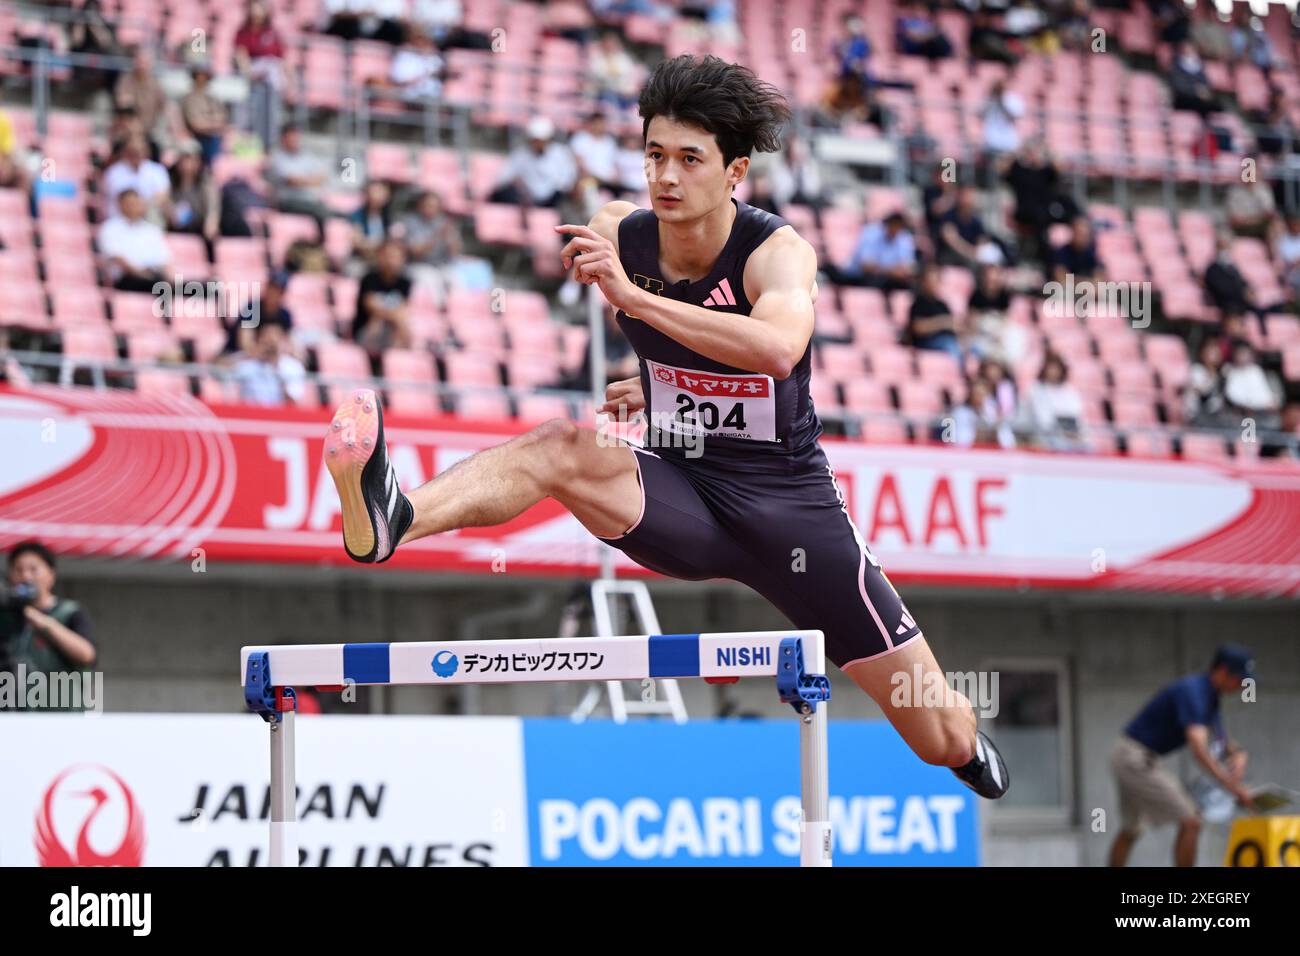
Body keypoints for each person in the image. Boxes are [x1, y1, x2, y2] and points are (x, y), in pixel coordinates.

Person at [321, 53, 1009, 800]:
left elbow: (778, 350)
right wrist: (657, 393)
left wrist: (635, 304)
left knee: (934, 734)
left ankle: (968, 744)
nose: (666, 177)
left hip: (792, 517)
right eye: (654, 155)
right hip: (685, 491)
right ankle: (396, 516)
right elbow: (691, 354)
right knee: (559, 445)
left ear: (735, 171)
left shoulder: (776, 253)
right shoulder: (621, 231)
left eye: (689, 160)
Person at [1108, 645, 1256, 867]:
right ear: (1223, 671)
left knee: (1131, 830)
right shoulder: (1194, 692)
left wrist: (1239, 754)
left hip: (1134, 756)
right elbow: (1199, 747)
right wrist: (1232, 788)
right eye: (1239, 679)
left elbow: (1221, 742)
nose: (1242, 686)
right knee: (1191, 821)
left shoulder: (1210, 698)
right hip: (1135, 758)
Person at [0, 540, 98, 712]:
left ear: (51, 575)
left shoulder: (69, 612)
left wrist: (40, 620)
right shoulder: (6, 617)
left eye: (33, 569)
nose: (26, 577)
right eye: (18, 570)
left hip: (60, 719)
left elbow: (87, 655)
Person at [488, 116, 577, 208]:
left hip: (554, 199)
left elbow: (567, 180)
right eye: (535, 141)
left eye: (541, 141)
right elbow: (503, 177)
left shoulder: (560, 153)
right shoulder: (520, 155)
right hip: (526, 200)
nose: (538, 144)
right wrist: (516, 182)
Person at [98, 188, 173, 293]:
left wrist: (169, 279)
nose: (134, 207)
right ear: (120, 205)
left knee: (197, 288)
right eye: (130, 203)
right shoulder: (110, 228)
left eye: (136, 203)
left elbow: (164, 261)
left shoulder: (151, 230)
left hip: (153, 277)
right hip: (126, 280)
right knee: (161, 286)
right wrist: (143, 274)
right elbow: (118, 259)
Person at [266, 124, 332, 238]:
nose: (294, 141)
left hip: (308, 200)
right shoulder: (276, 157)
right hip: (287, 202)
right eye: (291, 138)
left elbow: (323, 177)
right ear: (283, 139)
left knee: (336, 212)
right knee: (320, 211)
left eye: (296, 138)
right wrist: (310, 180)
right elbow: (292, 181)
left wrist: (303, 180)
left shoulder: (306, 157)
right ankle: (320, 246)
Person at [825, 211, 915, 290]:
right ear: (887, 224)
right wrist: (890, 271)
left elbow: (906, 269)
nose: (895, 230)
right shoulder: (871, 232)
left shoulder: (904, 239)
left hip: (884, 280)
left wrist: (890, 271)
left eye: (899, 227)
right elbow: (866, 266)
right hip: (857, 276)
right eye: (894, 226)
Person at [232, 314, 307, 406]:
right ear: (259, 341)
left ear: (282, 342)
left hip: (280, 416)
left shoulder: (293, 367)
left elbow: (293, 404)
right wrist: (254, 355)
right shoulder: (247, 365)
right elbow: (221, 372)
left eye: (273, 343)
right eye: (267, 342)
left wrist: (277, 368)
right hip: (250, 414)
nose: (270, 347)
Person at [353, 238, 413, 353]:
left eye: (395, 257)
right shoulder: (369, 279)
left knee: (402, 325)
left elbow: (402, 309)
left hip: (392, 330)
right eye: (388, 255)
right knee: (377, 322)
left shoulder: (405, 282)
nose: (391, 261)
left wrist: (392, 316)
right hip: (366, 330)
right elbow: (372, 307)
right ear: (379, 256)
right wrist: (392, 315)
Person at [906, 264, 962, 359]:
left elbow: (954, 326)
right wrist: (942, 322)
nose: (934, 284)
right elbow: (917, 328)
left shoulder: (942, 305)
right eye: (931, 281)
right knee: (949, 345)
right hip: (927, 343)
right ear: (924, 283)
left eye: (936, 281)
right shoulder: (918, 304)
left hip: (949, 340)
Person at [181, 63, 228, 167]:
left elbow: (222, 120)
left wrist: (209, 123)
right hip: (196, 138)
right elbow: (196, 125)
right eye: (200, 75)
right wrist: (213, 124)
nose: (202, 78)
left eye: (205, 75)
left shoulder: (213, 97)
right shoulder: (190, 98)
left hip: (213, 138)